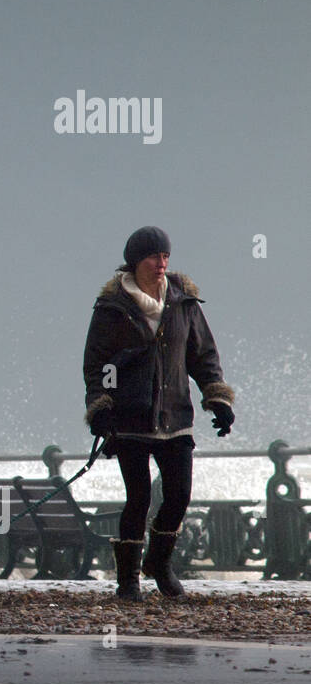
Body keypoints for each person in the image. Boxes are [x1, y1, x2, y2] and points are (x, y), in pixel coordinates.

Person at [82, 226, 234, 601]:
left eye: (165, 256)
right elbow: (97, 365)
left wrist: (217, 398)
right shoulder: (112, 308)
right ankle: (128, 580)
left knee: (179, 495)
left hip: (176, 418)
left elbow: (203, 356)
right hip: (130, 419)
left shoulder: (183, 301)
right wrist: (100, 407)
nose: (161, 263)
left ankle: (159, 563)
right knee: (137, 499)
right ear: (136, 261)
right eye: (154, 256)